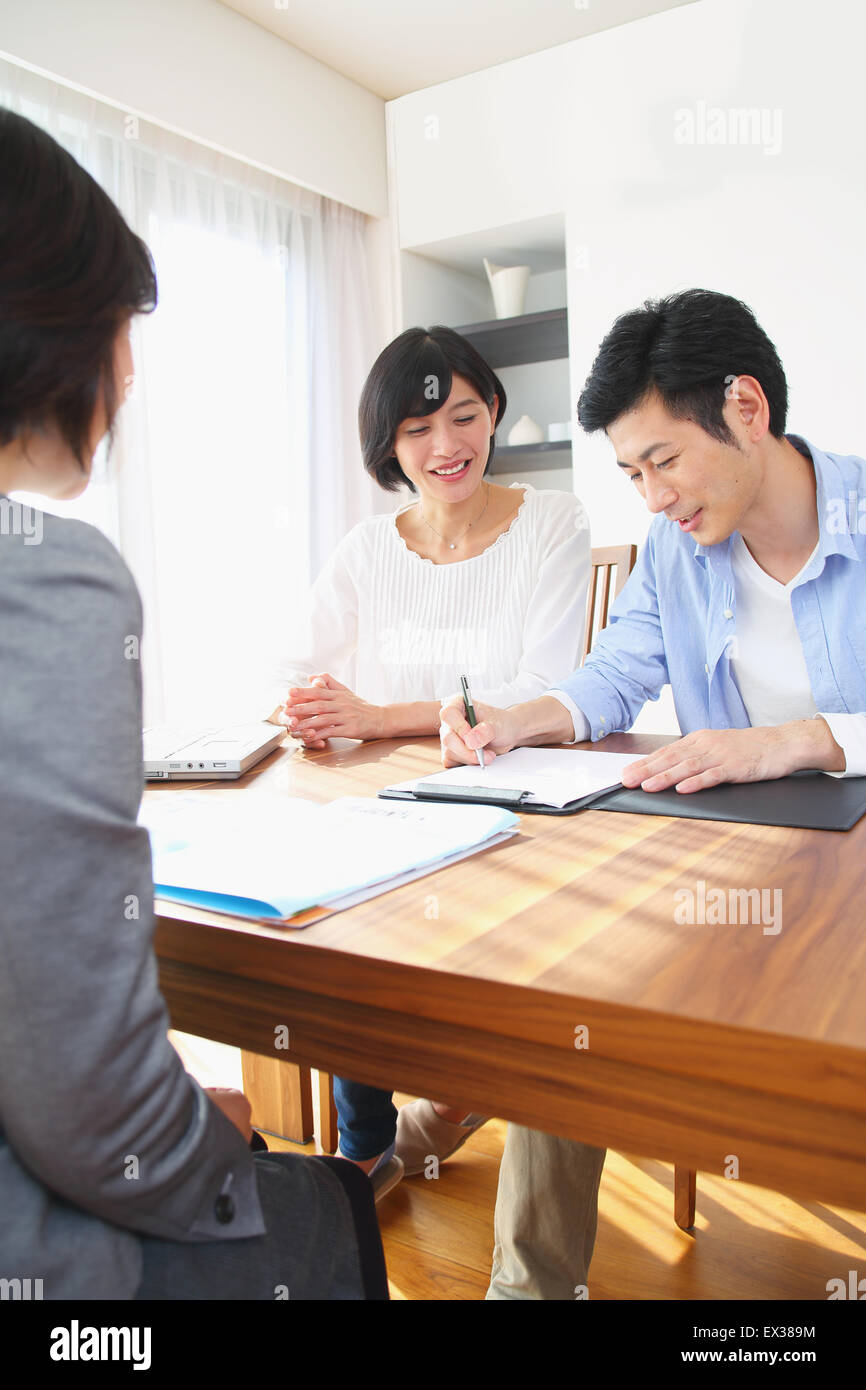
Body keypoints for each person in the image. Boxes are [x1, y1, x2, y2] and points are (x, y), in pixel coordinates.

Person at [0, 107, 387, 1300]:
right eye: (124, 331)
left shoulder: (547, 532)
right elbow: (80, 1087)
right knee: (317, 1201)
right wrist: (207, 1135)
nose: (129, 371)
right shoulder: (44, 577)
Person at [440, 287, 866, 1298]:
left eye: (661, 460)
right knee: (565, 990)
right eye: (631, 472)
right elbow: (612, 675)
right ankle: (528, 1290)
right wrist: (515, 719)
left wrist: (795, 741)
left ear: (746, 410)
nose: (652, 497)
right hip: (737, 864)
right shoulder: (676, 549)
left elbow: (780, 746)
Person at [265, 325, 592, 1195]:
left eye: (465, 415)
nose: (447, 446)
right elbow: (292, 668)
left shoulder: (553, 521)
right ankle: (365, 1148)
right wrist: (307, 709)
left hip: (519, 804)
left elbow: (542, 688)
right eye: (419, 429)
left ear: (493, 415)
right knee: (330, 907)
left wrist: (375, 716)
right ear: (389, 444)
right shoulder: (368, 549)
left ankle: (445, 1106)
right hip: (388, 804)